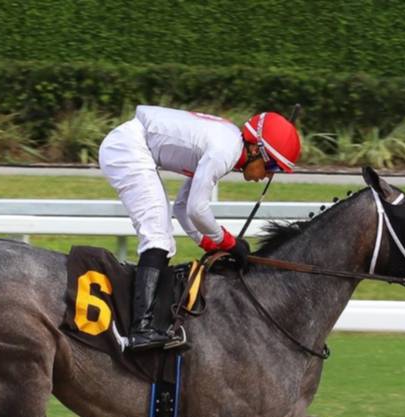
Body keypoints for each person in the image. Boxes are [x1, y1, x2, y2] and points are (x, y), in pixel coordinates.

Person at [98, 105, 302, 351]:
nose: (269, 176)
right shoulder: (224, 152)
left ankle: (147, 326)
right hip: (127, 148)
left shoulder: (229, 145)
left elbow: (183, 207)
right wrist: (229, 242)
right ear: (258, 150)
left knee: (163, 238)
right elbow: (197, 208)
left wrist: (206, 241)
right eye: (273, 167)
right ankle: (142, 330)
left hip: (132, 144)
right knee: (158, 238)